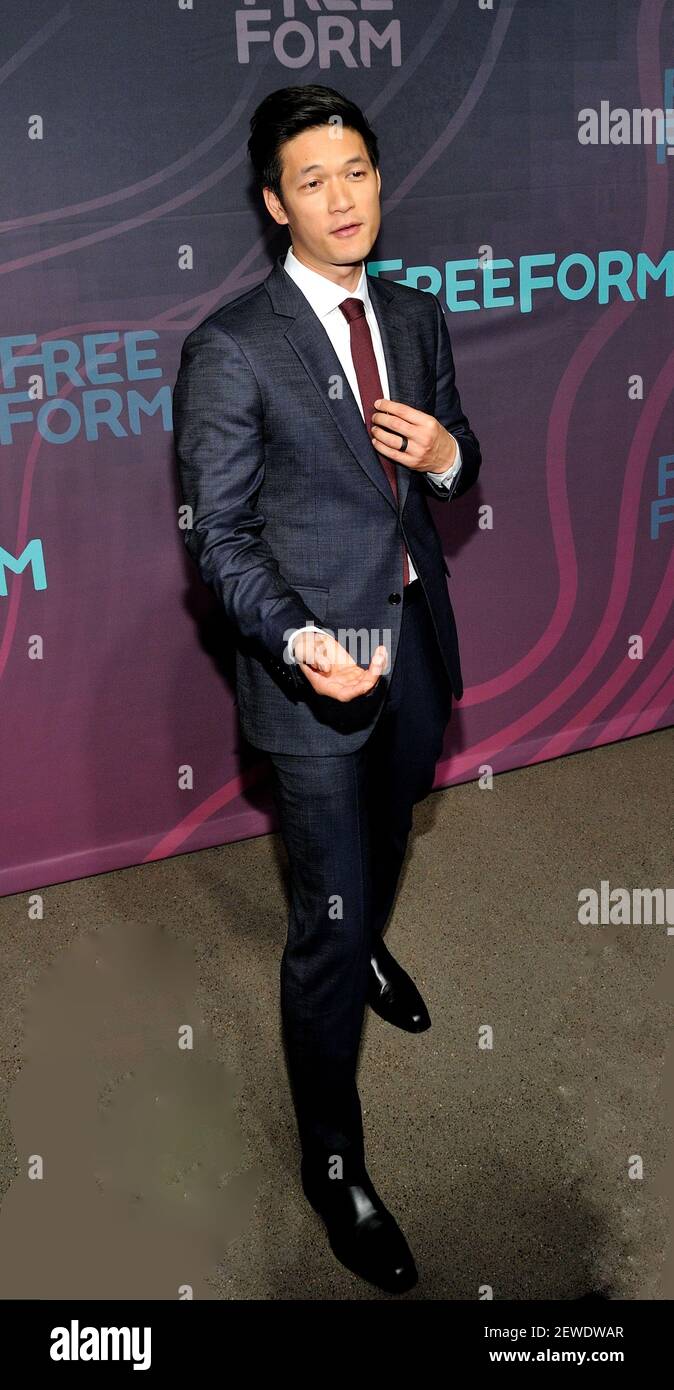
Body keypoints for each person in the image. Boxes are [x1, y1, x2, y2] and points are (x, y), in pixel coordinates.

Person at [172, 83, 481, 1295]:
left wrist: (449, 455)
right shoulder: (234, 346)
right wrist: (301, 641)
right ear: (272, 204)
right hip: (310, 676)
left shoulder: (413, 314)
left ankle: (369, 948)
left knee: (394, 820)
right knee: (324, 918)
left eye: (356, 168)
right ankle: (333, 1158)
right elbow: (219, 536)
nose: (342, 195)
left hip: (416, 644)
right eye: (313, 179)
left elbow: (458, 455)